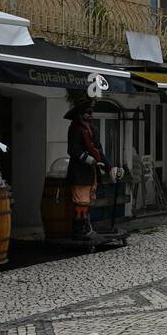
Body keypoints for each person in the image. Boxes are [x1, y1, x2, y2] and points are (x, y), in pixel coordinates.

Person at [65, 99, 117, 240]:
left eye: (91, 112)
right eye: (88, 112)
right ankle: (79, 231)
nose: (91, 115)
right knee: (80, 202)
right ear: (80, 115)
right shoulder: (74, 129)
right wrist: (88, 159)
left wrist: (109, 168)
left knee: (88, 202)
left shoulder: (93, 130)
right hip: (79, 171)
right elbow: (73, 150)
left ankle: (87, 228)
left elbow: (99, 151)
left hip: (91, 172)